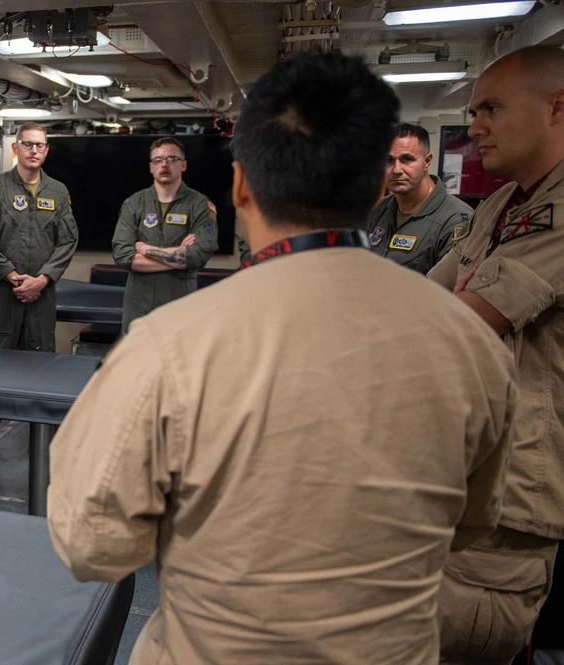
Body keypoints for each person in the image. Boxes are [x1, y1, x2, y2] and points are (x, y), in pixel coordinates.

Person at [47, 52, 518, 665]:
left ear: (241, 186)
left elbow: (93, 545)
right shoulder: (473, 345)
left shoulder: (171, 347)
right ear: (377, 183)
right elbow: (474, 526)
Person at [427, 45, 564, 665]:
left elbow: (459, 320)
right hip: (465, 468)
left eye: (492, 108)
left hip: (516, 498)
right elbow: (424, 298)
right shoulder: (501, 207)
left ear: (557, 108)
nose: (474, 125)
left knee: (465, 644)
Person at [0, 122, 78, 468]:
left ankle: (49, 440)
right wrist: (13, 277)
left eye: (40, 145)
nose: (34, 151)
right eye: (27, 144)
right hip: (1, 295)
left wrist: (41, 280)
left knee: (44, 367)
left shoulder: (58, 192)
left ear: (46, 150)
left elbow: (68, 241)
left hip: (41, 296)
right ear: (16, 148)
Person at [111, 137, 218, 332]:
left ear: (183, 165)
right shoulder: (134, 203)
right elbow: (122, 254)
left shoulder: (200, 205)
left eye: (172, 159)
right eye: (158, 160)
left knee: (179, 358)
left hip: (179, 299)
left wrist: (145, 249)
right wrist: (179, 254)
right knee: (136, 358)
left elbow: (198, 254)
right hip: (138, 301)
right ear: (151, 167)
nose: (165, 164)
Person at [366, 123, 474, 275]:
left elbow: (452, 289)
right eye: (388, 160)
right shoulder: (380, 210)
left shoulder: (456, 219)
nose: (396, 170)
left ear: (427, 161)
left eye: (407, 159)